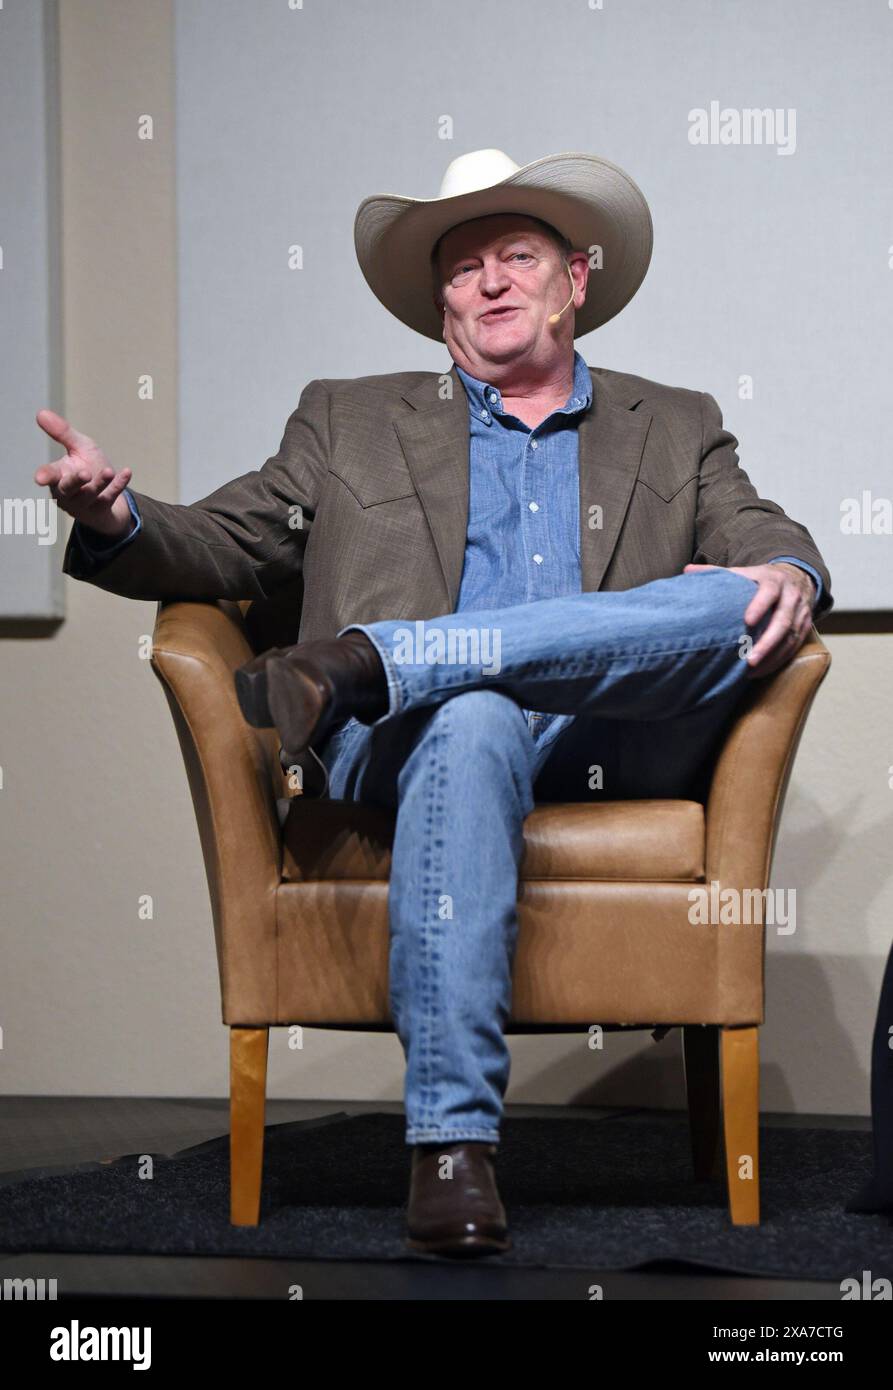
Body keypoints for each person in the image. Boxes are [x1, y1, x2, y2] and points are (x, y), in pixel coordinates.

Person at [35, 147, 833, 1259]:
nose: (491, 282)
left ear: (576, 279)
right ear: (439, 305)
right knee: (472, 711)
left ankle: (383, 656)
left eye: (518, 256)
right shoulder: (345, 419)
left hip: (611, 736)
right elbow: (224, 540)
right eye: (463, 270)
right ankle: (452, 1144)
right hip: (418, 744)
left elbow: (763, 534)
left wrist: (787, 571)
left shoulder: (675, 420)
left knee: (742, 599)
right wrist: (118, 517)